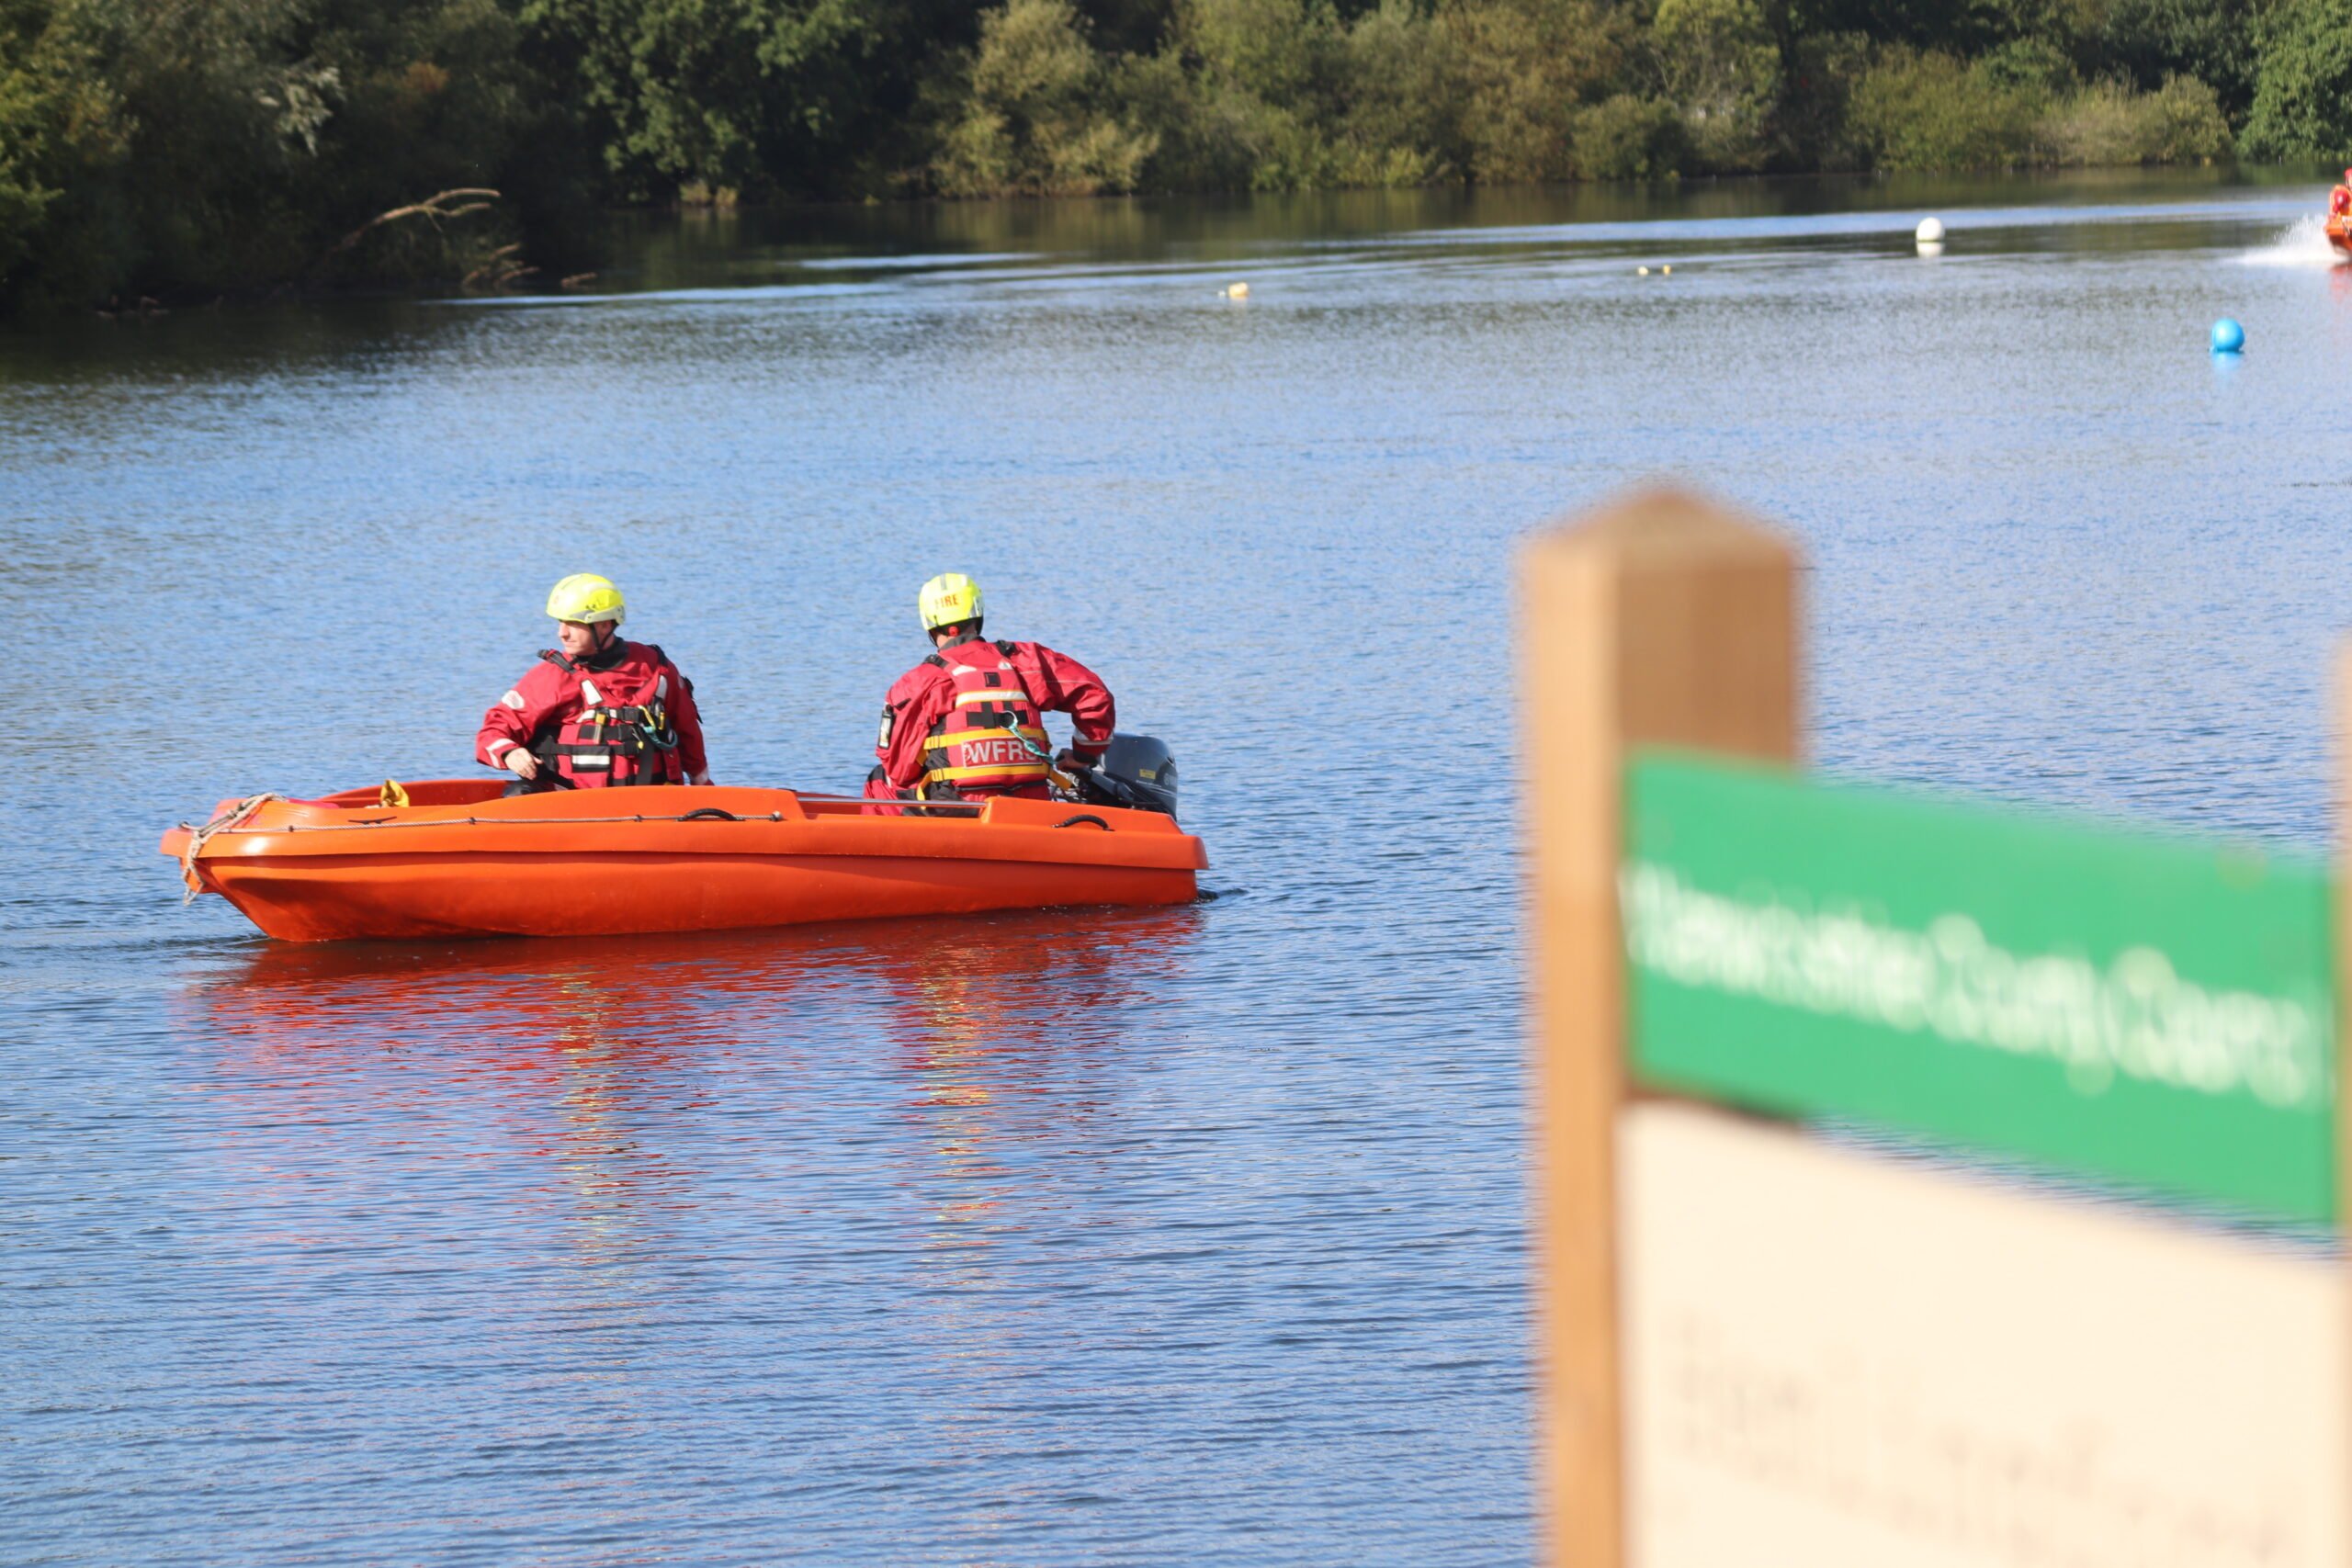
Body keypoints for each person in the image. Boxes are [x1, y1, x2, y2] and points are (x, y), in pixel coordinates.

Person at [866, 572, 1114, 803]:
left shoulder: (919, 682)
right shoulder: (1027, 661)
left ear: (929, 624)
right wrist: (1083, 756)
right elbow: (1094, 695)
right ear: (978, 614)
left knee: (880, 780)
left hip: (959, 808)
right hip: (1032, 801)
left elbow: (899, 770)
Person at [477, 573, 711, 791]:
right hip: (576, 808)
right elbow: (493, 731)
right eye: (560, 622)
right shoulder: (553, 676)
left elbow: (688, 731)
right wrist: (510, 753)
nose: (562, 633)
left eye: (573, 624)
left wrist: (703, 788)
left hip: (655, 805)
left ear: (605, 625)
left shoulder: (657, 669)